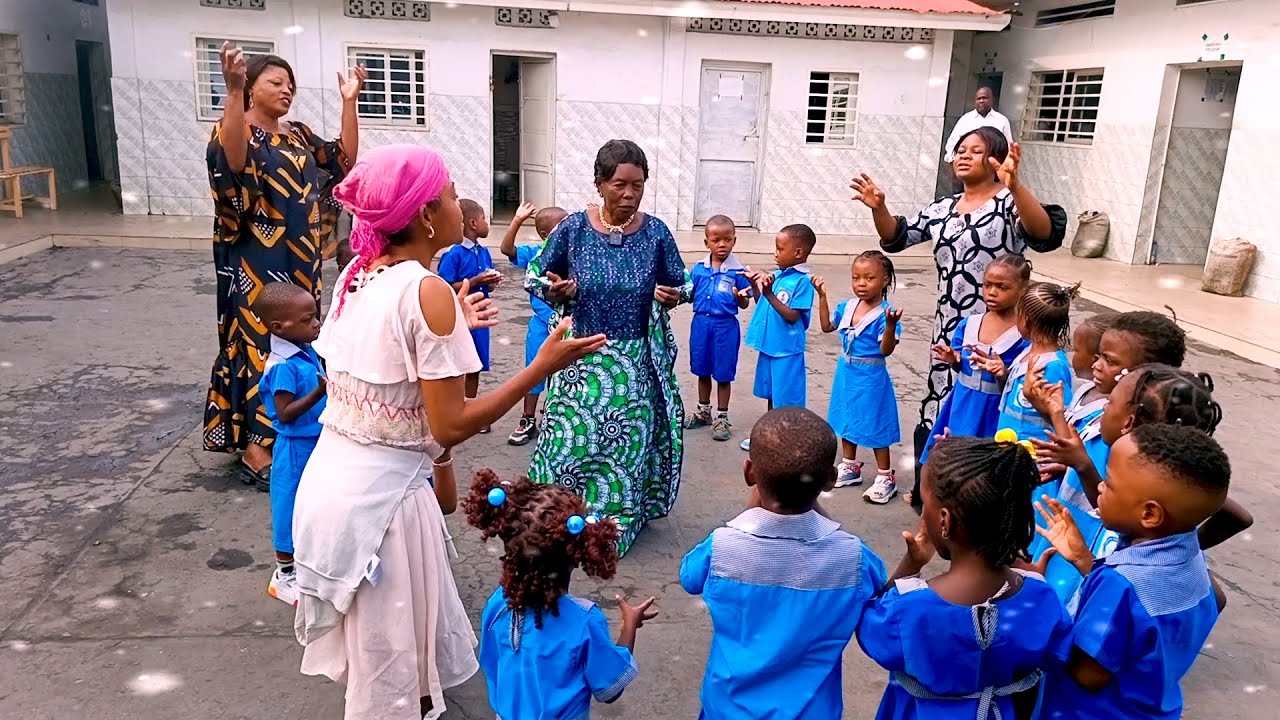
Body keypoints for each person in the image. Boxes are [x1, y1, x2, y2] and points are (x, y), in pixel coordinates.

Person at [290, 145, 606, 720]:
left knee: (381, 652)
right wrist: (539, 370)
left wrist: (452, 323)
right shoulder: (425, 290)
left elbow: (396, 379)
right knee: (388, 672)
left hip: (333, 487)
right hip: (380, 506)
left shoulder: (358, 277)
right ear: (425, 216)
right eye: (449, 194)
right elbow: (451, 423)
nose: (461, 205)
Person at [851, 126, 1066, 513]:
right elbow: (897, 237)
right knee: (942, 403)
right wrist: (877, 207)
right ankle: (932, 494)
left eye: (975, 150)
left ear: (996, 158)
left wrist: (1014, 184)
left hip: (1004, 329)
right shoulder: (942, 209)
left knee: (995, 403)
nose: (963, 156)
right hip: (952, 324)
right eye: (959, 150)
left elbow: (1044, 233)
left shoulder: (1008, 203)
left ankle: (986, 499)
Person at [204, 43, 365, 489]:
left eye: (290, 84)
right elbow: (233, 164)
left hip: (300, 260)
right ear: (251, 88)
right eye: (275, 82)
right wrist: (231, 91)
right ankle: (256, 445)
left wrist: (349, 102)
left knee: (299, 342)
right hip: (256, 262)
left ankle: (296, 428)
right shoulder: (234, 131)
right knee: (259, 346)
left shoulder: (296, 134)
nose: (286, 90)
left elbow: (344, 162)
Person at [524, 139, 687, 557]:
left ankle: (610, 528)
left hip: (634, 366)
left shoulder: (655, 233)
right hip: (579, 360)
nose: (629, 194)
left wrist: (674, 294)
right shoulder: (574, 229)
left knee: (623, 452)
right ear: (599, 184)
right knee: (568, 443)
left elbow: (684, 282)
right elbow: (534, 276)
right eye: (619, 185)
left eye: (638, 185)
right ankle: (557, 518)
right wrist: (555, 288)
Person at [681, 407, 886, 720]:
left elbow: (689, 577)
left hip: (727, 709)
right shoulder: (852, 558)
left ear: (749, 473)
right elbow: (879, 584)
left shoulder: (723, 546)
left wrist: (745, 517)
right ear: (831, 480)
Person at [857, 436, 1071, 720]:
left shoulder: (906, 608)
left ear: (944, 521)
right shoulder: (1040, 598)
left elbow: (870, 633)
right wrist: (1029, 579)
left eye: (925, 503)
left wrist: (911, 565)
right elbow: (1056, 653)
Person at [1034, 424, 1231, 720]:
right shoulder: (1191, 558)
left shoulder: (1121, 583)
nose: (1099, 486)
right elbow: (1213, 601)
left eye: (1110, 484)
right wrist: (1085, 561)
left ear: (1149, 514)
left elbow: (1087, 674)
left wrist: (1034, 598)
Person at [1029, 364, 1252, 610]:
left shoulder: (1136, 471)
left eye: (1110, 402)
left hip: (1091, 595)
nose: (1103, 407)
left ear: (1128, 422)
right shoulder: (1153, 472)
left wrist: (1174, 547)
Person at [464, 470, 659, 719]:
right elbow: (610, 689)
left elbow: (492, 665)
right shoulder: (584, 621)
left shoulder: (497, 604)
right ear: (577, 555)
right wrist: (629, 626)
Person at [919, 255, 1031, 469]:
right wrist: (954, 360)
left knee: (983, 468)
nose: (992, 292)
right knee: (953, 464)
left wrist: (1002, 373)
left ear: (1022, 289)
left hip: (994, 412)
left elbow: (1017, 386)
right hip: (962, 404)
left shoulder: (1023, 335)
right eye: (987, 285)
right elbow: (963, 368)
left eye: (1002, 287)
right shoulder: (968, 324)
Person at [255, 282, 327, 606]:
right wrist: (319, 393)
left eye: (315, 316)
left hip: (316, 442)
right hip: (295, 449)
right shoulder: (283, 365)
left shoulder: (303, 351)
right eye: (308, 319)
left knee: (314, 506)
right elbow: (284, 415)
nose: (316, 324)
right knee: (289, 508)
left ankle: (308, 566)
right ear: (278, 327)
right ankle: (284, 575)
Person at [814, 250, 903, 503]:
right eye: (856, 278)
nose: (861, 284)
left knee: (875, 422)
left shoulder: (887, 314)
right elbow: (826, 327)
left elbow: (886, 350)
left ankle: (885, 476)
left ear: (885, 280)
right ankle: (850, 465)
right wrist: (822, 297)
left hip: (871, 375)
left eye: (869, 278)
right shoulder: (848, 306)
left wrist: (890, 325)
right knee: (846, 416)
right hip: (846, 372)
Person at [740, 224, 818, 452]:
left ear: (798, 253)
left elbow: (792, 316)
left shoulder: (803, 282)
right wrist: (755, 287)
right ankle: (772, 435)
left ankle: (788, 440)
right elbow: (762, 303)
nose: (775, 253)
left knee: (787, 400)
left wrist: (769, 293)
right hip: (770, 347)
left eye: (780, 248)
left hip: (786, 351)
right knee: (773, 394)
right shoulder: (777, 276)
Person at [499, 202, 568, 446]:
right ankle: (528, 419)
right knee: (534, 371)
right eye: (562, 227)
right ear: (545, 235)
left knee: (567, 373)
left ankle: (557, 417)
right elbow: (507, 249)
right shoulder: (535, 254)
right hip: (541, 325)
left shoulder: (574, 254)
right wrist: (517, 220)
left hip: (569, 325)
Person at [437, 198, 504, 431]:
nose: (488, 224)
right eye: (485, 219)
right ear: (473, 223)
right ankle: (455, 410)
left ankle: (471, 412)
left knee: (475, 365)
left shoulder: (483, 252)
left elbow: (486, 284)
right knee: (457, 365)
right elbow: (443, 286)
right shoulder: (454, 254)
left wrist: (492, 282)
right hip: (459, 318)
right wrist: (475, 281)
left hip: (481, 317)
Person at [685, 215, 753, 442]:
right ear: (707, 243)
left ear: (734, 240)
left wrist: (740, 297)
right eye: (716, 240)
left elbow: (744, 303)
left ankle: (722, 417)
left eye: (727, 239)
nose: (722, 244)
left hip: (725, 326)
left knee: (723, 373)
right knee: (702, 369)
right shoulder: (698, 269)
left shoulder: (738, 272)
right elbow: (687, 293)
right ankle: (704, 411)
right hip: (701, 324)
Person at [987, 281, 1077, 444]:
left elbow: (1063, 420)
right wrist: (1004, 375)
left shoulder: (1053, 367)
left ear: (1026, 320)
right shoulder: (1027, 351)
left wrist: (1033, 398)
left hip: (1033, 455)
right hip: (1010, 447)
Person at [943, 87, 1014, 192]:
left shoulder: (1001, 121)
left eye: (985, 98)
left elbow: (1008, 146)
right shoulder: (965, 119)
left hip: (991, 175)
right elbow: (951, 145)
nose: (981, 101)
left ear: (992, 100)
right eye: (978, 98)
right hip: (967, 174)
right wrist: (955, 164)